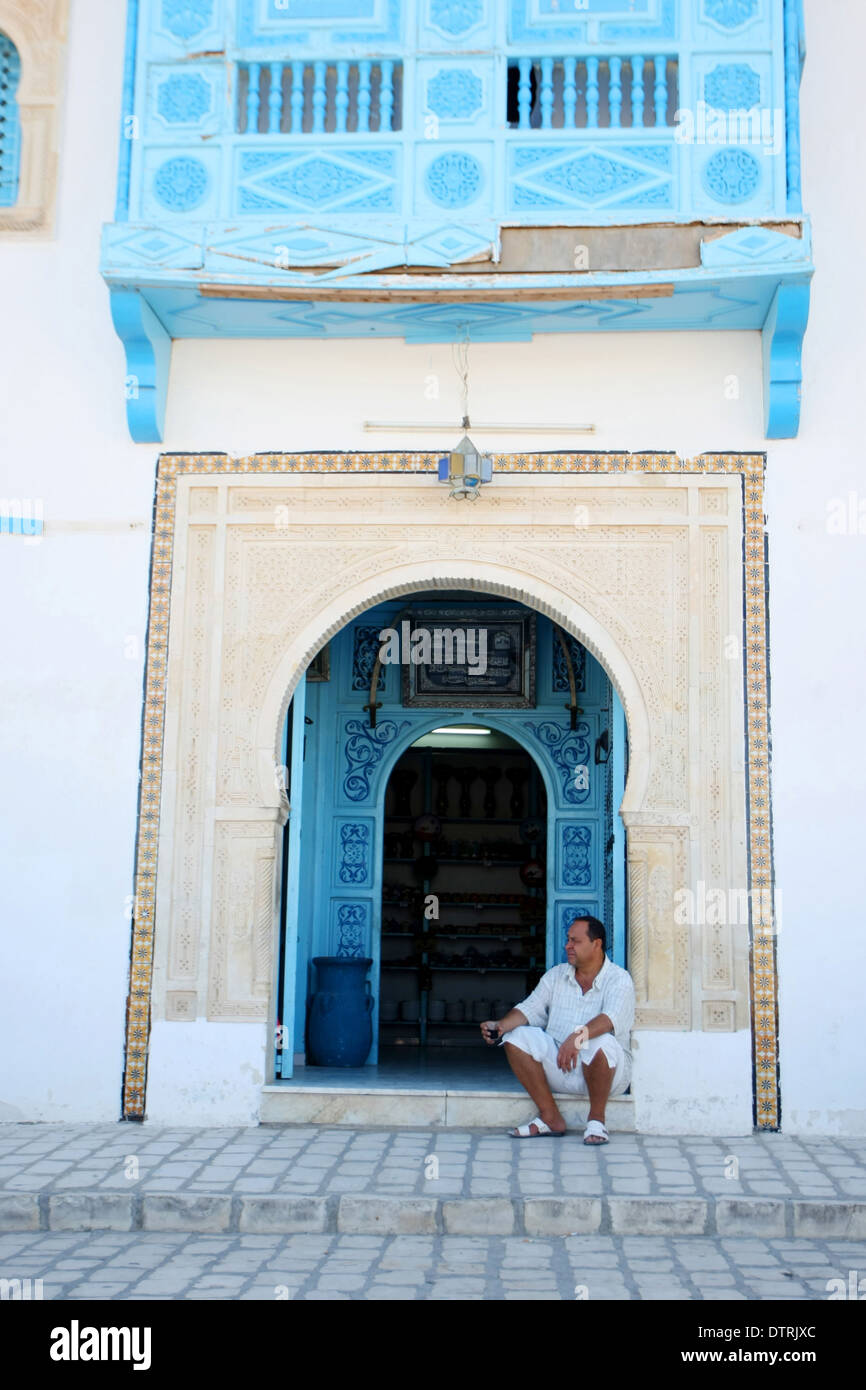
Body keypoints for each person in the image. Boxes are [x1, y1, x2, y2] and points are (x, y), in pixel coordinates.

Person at [480, 915, 634, 1144]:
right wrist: (501, 1026)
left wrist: (576, 1038)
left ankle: (596, 1121)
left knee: (603, 1041)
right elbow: (529, 1009)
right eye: (567, 939)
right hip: (561, 1066)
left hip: (606, 1074)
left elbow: (609, 1019)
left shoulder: (619, 979)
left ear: (597, 944)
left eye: (575, 941)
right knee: (516, 1036)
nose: (567, 946)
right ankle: (550, 1117)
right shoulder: (556, 975)